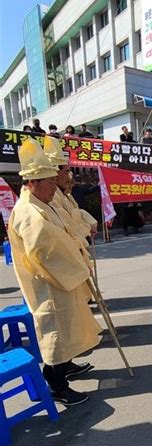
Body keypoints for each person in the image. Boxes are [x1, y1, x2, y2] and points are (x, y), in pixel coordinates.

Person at [8, 138, 100, 405]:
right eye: (49, 183)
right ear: (34, 182)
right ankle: (57, 385)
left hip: (63, 278)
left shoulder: (41, 202)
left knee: (68, 329)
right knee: (57, 334)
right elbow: (46, 251)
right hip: (51, 282)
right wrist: (77, 266)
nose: (53, 188)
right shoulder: (28, 212)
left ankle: (65, 368)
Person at [43, 136, 98, 244]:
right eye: (66, 172)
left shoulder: (65, 195)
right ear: (55, 173)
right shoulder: (50, 196)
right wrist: (87, 227)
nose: (69, 177)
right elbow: (67, 222)